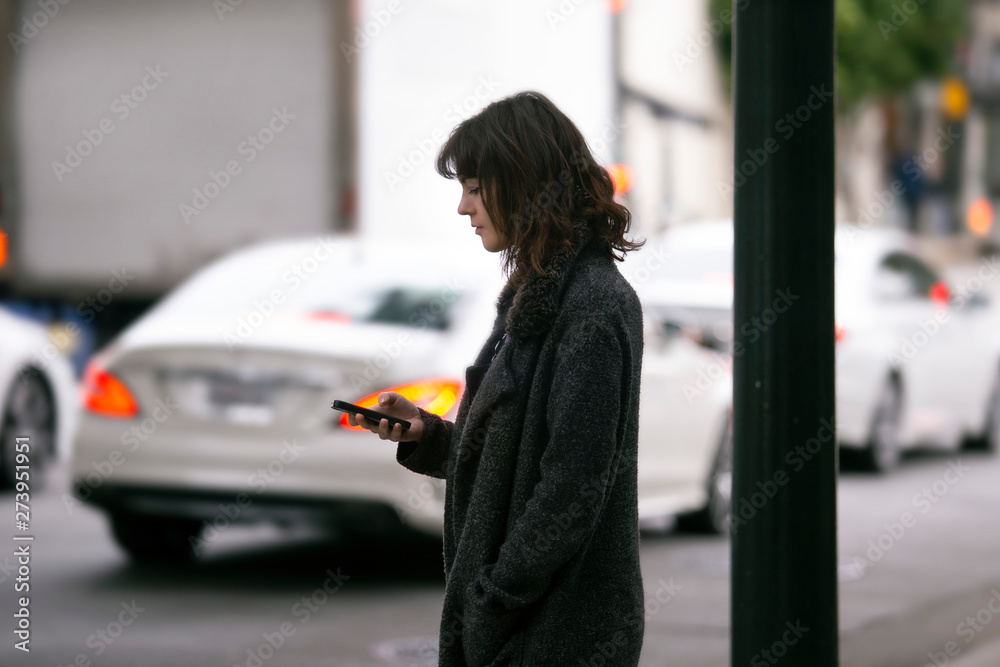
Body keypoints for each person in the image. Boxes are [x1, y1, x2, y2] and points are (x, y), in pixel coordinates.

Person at [348, 90, 647, 666]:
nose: (464, 207)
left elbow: (571, 485)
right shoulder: (535, 297)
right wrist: (428, 437)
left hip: (558, 632)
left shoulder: (592, 304)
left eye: (477, 189)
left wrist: (493, 597)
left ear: (525, 184)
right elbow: (514, 457)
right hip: (520, 626)